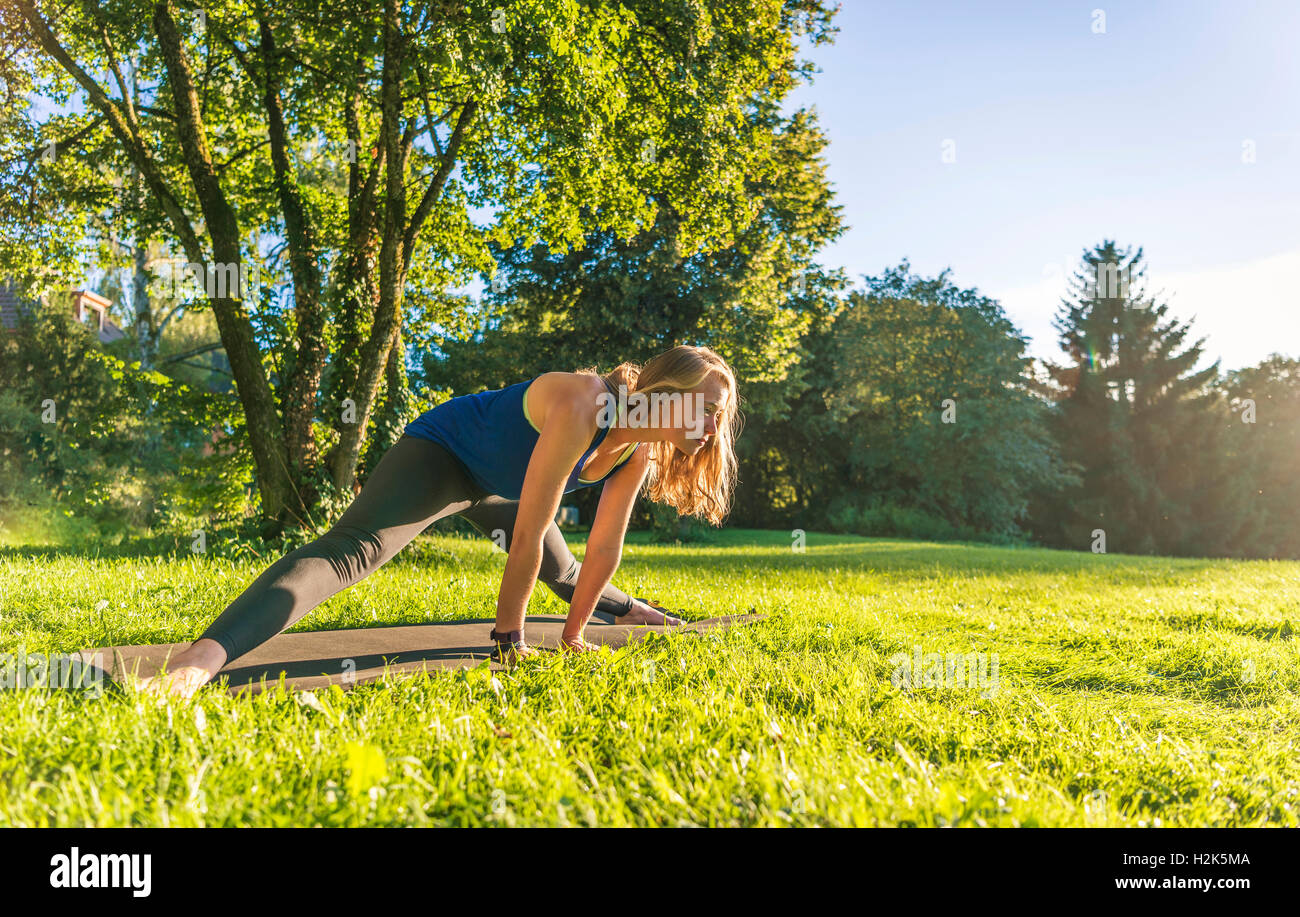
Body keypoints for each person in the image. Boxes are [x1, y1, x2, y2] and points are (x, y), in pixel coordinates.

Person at [143, 345, 740, 697]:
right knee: (355, 551)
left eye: (720, 417)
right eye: (710, 411)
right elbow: (527, 538)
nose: (715, 428)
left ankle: (636, 611)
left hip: (506, 487)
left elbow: (604, 547)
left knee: (572, 572)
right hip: (446, 457)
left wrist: (573, 637)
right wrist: (510, 640)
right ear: (668, 392)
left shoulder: (639, 449)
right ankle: (200, 661)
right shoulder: (587, 405)